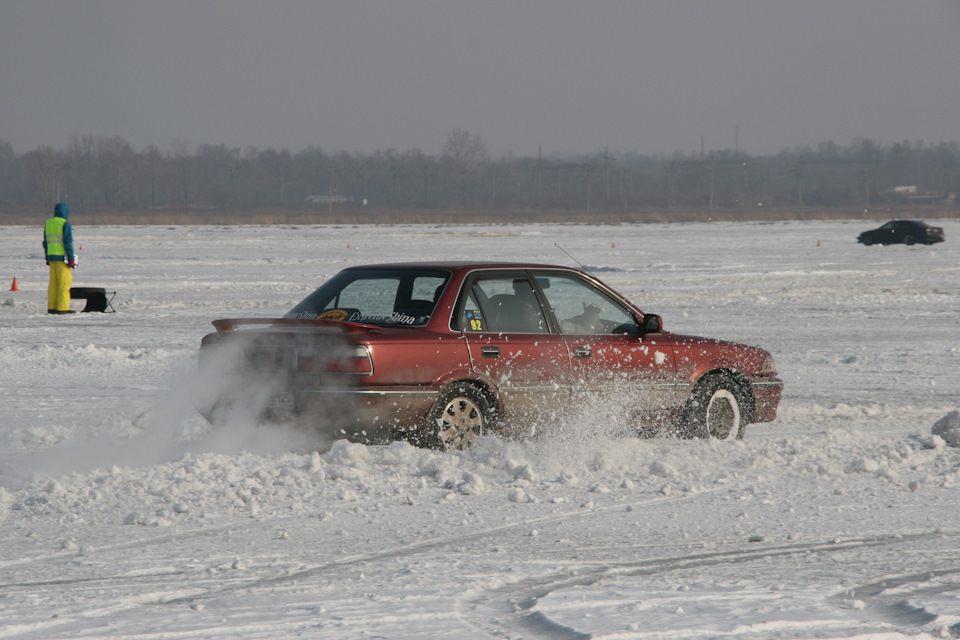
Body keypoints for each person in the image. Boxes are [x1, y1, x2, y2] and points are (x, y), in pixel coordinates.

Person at [42, 203, 77, 314]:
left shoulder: (48, 223)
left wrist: (47, 257)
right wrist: (71, 258)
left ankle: (52, 307)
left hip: (52, 258)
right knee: (64, 283)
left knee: (53, 284)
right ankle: (62, 307)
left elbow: (46, 242)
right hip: (62, 259)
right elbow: (68, 243)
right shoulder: (65, 224)